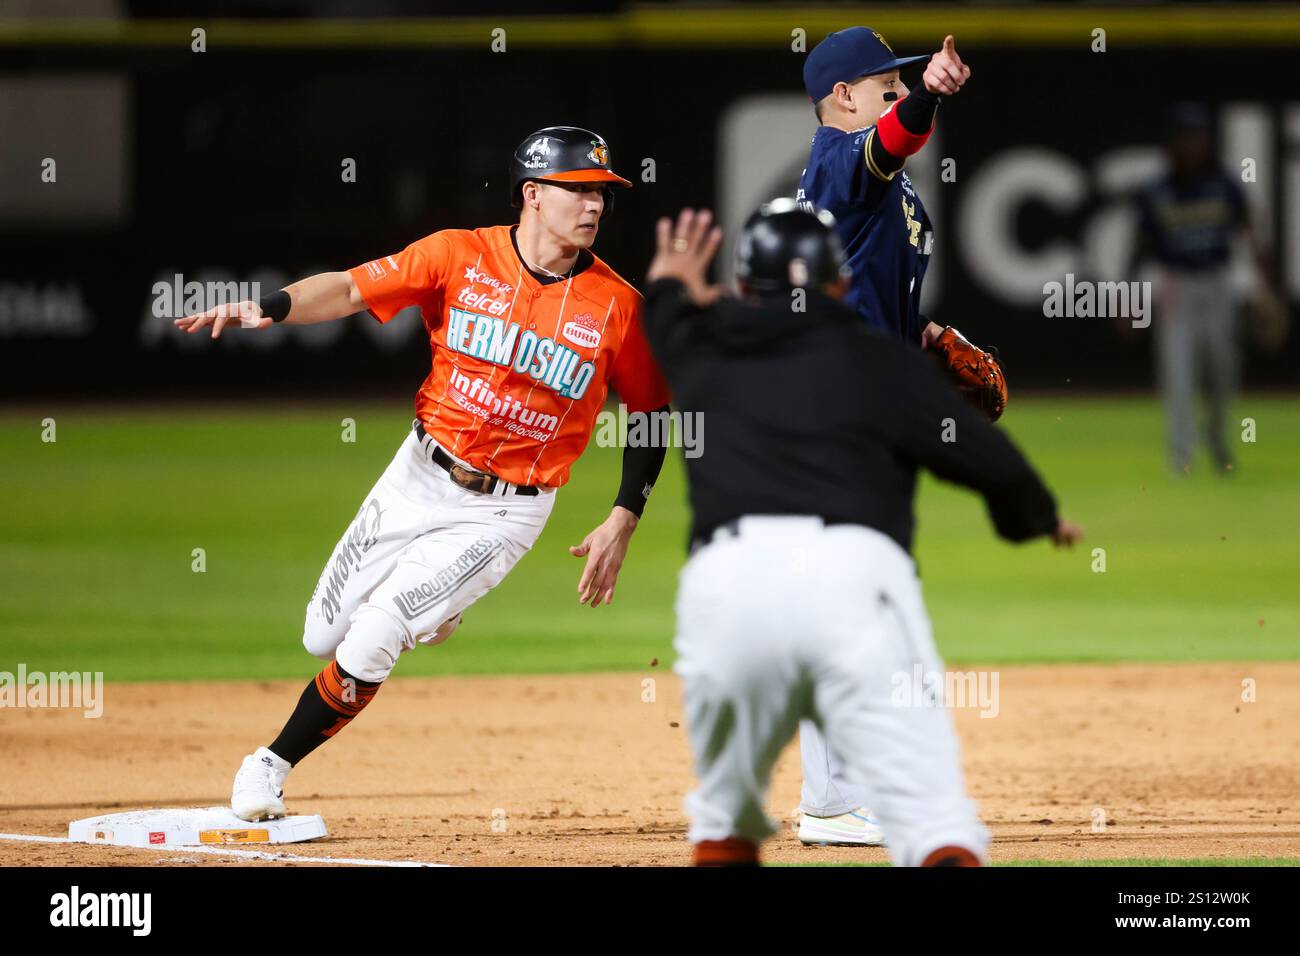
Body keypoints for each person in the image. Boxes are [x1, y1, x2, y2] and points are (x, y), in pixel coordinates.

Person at [174, 126, 671, 822]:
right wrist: (271, 306)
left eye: (602, 193)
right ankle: (439, 603)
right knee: (322, 635)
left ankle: (270, 763)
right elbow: (349, 289)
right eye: (578, 190)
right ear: (532, 194)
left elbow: (652, 409)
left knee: (375, 635)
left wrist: (626, 513)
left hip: (506, 512)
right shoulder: (458, 256)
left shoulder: (617, 306)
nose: (594, 205)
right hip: (416, 474)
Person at [641, 202, 1082, 867]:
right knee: (936, 822)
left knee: (725, 818)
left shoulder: (698, 344)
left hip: (726, 592)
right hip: (854, 579)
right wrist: (1037, 519)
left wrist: (675, 281)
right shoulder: (883, 362)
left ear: (740, 286)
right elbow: (986, 457)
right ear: (841, 284)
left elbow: (667, 309)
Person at [794, 26, 1005, 845]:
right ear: (843, 95)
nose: (897, 87)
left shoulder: (889, 194)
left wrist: (922, 341)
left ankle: (844, 790)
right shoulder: (838, 161)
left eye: (902, 79)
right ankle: (834, 799)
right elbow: (891, 140)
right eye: (885, 80)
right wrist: (931, 94)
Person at [1131, 103, 1277, 474]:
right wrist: (1126, 297)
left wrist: (1266, 288)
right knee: (1178, 374)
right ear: (1173, 144)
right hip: (1177, 284)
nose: (1193, 145)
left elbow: (1251, 232)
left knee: (1222, 370)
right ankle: (1181, 456)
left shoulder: (1224, 184)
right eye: (1186, 138)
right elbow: (1140, 247)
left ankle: (1217, 439)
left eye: (1198, 138)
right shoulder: (1157, 190)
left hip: (1218, 283)